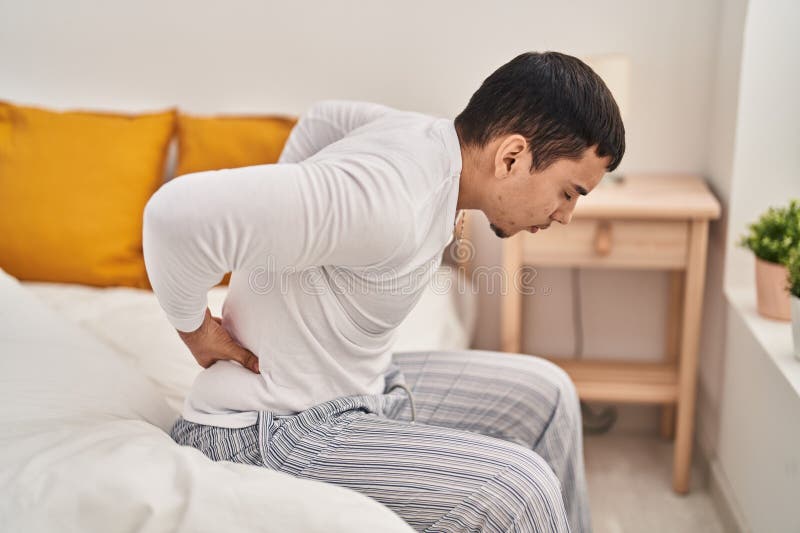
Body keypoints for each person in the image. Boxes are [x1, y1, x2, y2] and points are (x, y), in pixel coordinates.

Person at [143, 50, 625, 533]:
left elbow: (323, 118)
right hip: (266, 431)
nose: (565, 216)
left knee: (550, 396)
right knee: (521, 488)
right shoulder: (390, 199)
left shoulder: (430, 142)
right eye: (567, 193)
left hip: (357, 391)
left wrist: (291, 243)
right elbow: (173, 217)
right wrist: (195, 330)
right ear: (512, 156)